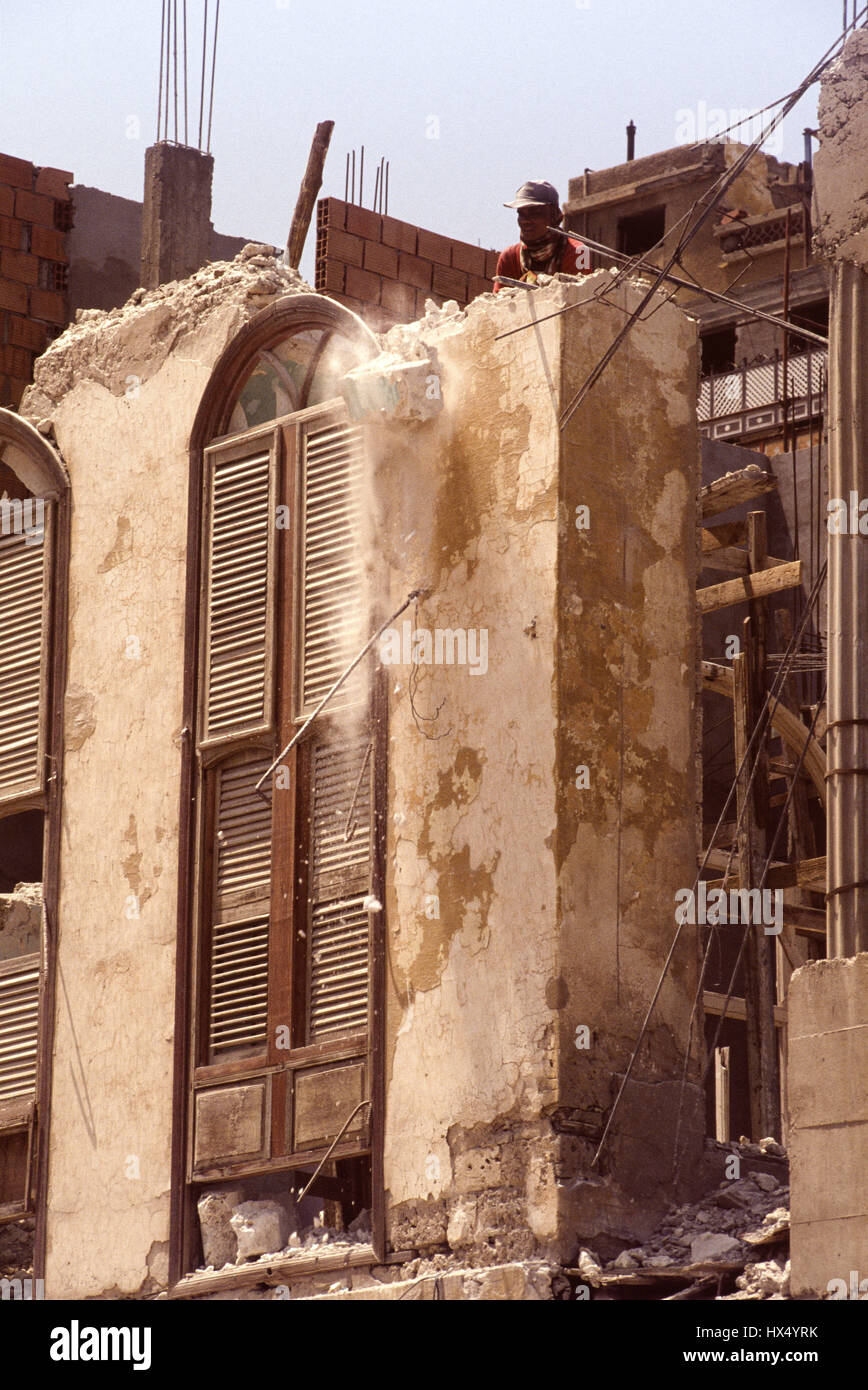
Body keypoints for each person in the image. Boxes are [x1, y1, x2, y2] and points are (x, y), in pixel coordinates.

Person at [494, 180, 591, 291]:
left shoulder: (577, 251)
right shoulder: (509, 257)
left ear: (555, 216)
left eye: (535, 213)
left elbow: (578, 299)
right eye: (521, 214)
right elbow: (498, 303)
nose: (525, 221)